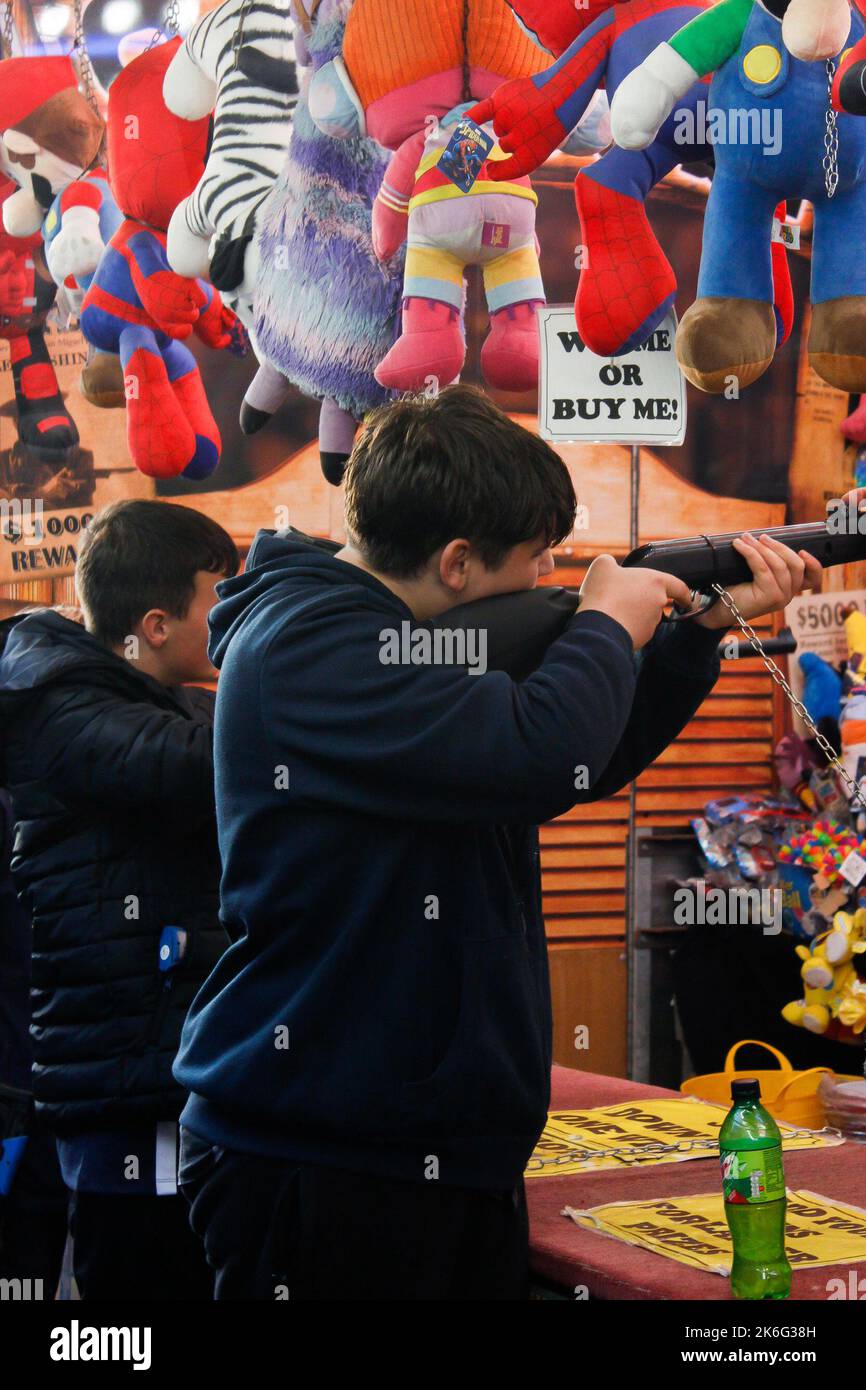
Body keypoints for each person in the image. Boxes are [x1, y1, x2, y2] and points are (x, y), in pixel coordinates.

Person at [174, 385, 821, 1301]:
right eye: (540, 559)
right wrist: (604, 618)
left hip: (411, 1148)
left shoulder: (381, 636)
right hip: (325, 1156)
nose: (555, 576)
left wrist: (695, 635)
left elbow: (572, 764)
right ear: (458, 562)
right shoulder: (306, 645)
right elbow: (541, 747)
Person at [0, 501, 238, 1301]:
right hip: (126, 1087)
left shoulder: (142, 700)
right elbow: (195, 761)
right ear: (159, 623)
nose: (232, 611)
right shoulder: (64, 707)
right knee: (127, 1312)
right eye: (222, 593)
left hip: (163, 1074)